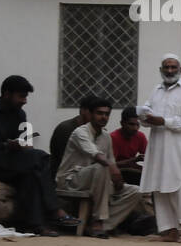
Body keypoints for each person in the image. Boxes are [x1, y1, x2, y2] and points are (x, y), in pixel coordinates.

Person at [0, 75, 79, 236]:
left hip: (11, 160)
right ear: (6, 94)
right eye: (21, 96)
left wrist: (21, 146)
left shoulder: (20, 115)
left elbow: (21, 141)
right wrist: (6, 145)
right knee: (42, 157)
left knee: (31, 175)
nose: (24, 101)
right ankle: (54, 209)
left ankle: (35, 225)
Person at [55, 98, 143, 237]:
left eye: (107, 114)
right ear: (90, 114)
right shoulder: (80, 132)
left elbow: (111, 161)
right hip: (71, 180)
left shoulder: (106, 137)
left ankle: (100, 225)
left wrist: (117, 178)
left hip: (97, 180)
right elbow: (96, 155)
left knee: (136, 191)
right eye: (99, 113)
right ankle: (98, 221)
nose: (103, 117)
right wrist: (112, 168)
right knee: (101, 167)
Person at [138, 54, 181, 242]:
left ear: (180, 70)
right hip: (158, 146)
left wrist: (163, 121)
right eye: (166, 67)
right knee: (159, 187)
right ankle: (170, 231)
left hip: (178, 147)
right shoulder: (156, 90)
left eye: (174, 67)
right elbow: (147, 113)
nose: (170, 71)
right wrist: (143, 116)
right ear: (161, 70)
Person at [50, 95, 95, 178]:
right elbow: (65, 160)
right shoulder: (66, 129)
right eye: (92, 112)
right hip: (65, 176)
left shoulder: (95, 130)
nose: (95, 116)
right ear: (82, 110)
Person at [110, 106, 148, 185]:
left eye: (138, 125)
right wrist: (134, 160)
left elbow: (149, 155)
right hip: (117, 171)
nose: (135, 128)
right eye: (131, 124)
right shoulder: (113, 137)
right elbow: (111, 165)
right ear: (122, 123)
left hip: (132, 169)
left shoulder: (140, 136)